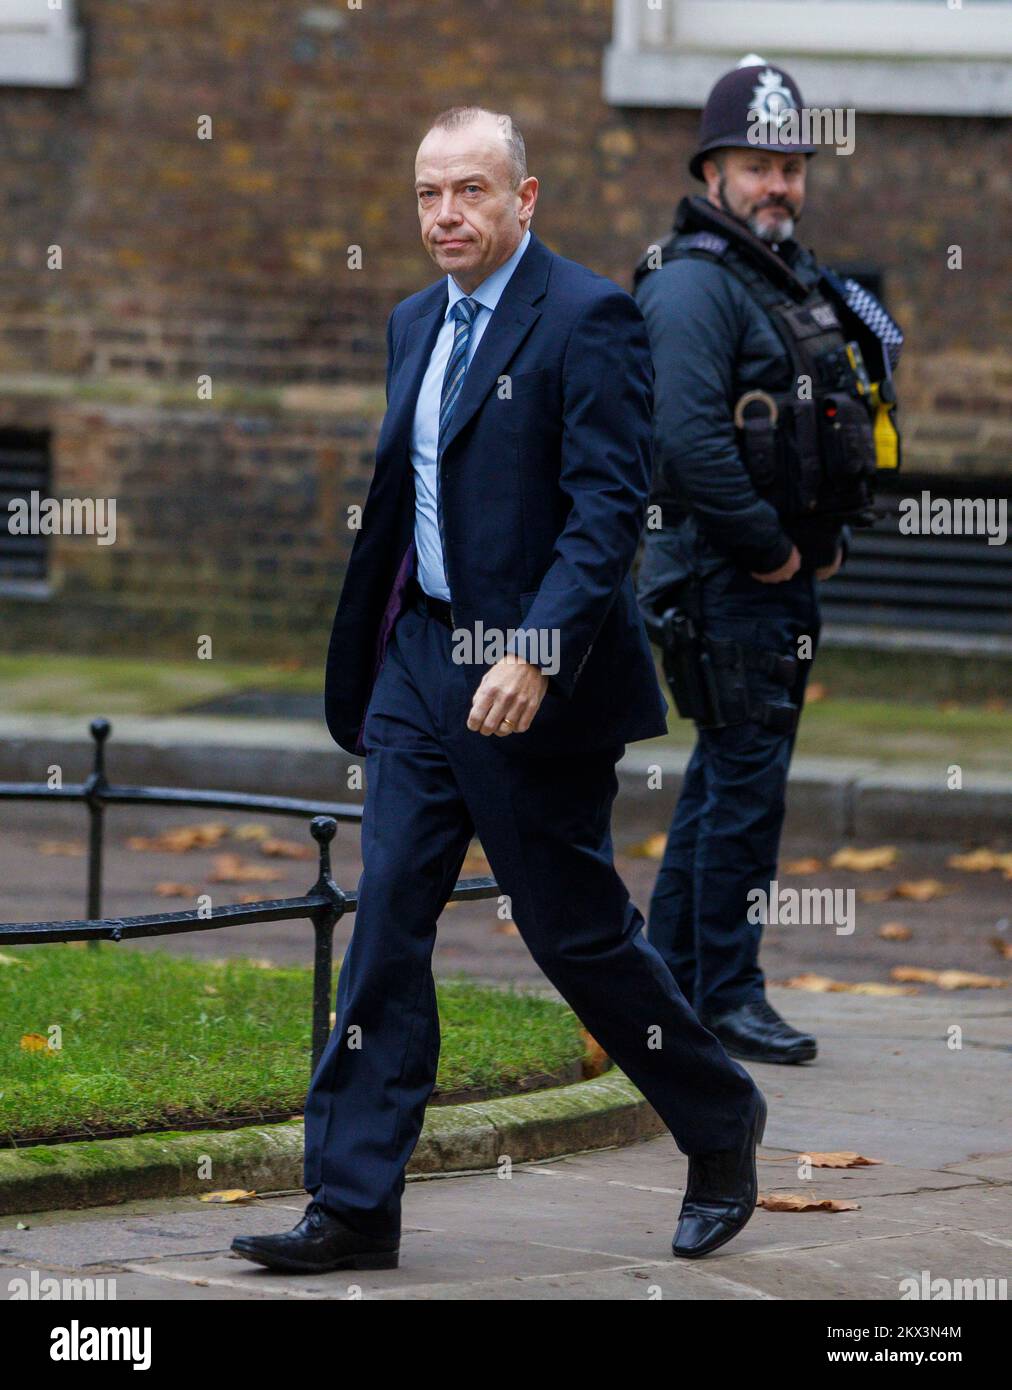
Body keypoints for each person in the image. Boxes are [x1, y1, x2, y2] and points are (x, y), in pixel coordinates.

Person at [232, 105, 766, 1273]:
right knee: (384, 926)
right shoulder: (412, 319)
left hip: (533, 677)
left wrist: (533, 648)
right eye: (428, 195)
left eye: (471, 191)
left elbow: (604, 512)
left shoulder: (589, 318)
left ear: (525, 200)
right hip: (421, 665)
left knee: (575, 937)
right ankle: (356, 1200)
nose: (445, 215)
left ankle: (719, 1119)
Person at [634, 58, 903, 1065]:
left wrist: (810, 544)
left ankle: (671, 986)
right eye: (757, 166)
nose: (778, 184)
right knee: (743, 789)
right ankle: (726, 994)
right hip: (727, 581)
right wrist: (775, 549)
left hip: (768, 579)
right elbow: (688, 441)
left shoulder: (777, 273)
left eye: (790, 165)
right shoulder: (694, 284)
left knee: (726, 779)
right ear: (713, 172)